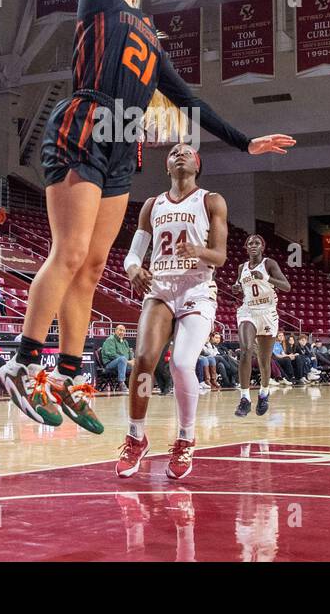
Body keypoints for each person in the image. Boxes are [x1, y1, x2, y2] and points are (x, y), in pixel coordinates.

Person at [0, 0, 294, 437]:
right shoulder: (98, 1)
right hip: (84, 119)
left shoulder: (151, 43)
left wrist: (246, 140)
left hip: (121, 139)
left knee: (96, 264)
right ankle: (21, 364)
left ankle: (70, 374)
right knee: (69, 250)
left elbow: (193, 105)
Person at [117, 142, 227, 480]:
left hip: (196, 288)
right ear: (166, 167)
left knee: (181, 363)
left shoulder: (211, 200)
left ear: (197, 164)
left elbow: (220, 256)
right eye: (173, 153)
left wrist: (200, 251)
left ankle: (185, 438)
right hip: (161, 287)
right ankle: (136, 437)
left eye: (187, 152)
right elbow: (134, 254)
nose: (179, 154)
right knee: (144, 361)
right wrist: (134, 269)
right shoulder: (152, 205)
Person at [232, 233, 290, 417]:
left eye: (257, 242)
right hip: (248, 310)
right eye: (250, 243)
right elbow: (240, 286)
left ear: (262, 247)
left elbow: (286, 286)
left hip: (267, 312)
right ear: (246, 247)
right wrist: (237, 288)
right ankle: (245, 398)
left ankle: (264, 393)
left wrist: (265, 278)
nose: (253, 245)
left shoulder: (269, 264)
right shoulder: (242, 267)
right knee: (246, 350)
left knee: (264, 360)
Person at [100, 323, 132, 392]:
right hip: (110, 365)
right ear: (115, 331)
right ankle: (121, 384)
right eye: (120, 330)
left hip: (123, 365)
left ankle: (136, 385)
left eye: (124, 331)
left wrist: (133, 360)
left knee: (138, 363)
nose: (122, 332)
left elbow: (130, 352)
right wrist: (127, 361)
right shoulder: (110, 339)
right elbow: (111, 354)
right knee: (122, 359)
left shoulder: (125, 342)